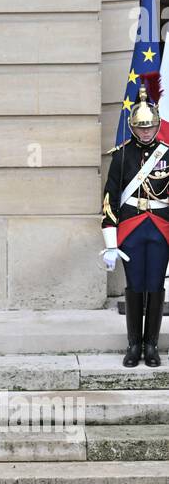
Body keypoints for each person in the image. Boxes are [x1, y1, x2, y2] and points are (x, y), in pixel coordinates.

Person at [101, 73, 169, 367]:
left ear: (157, 125)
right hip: (131, 229)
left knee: (155, 285)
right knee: (134, 286)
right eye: (141, 127)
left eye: (150, 126)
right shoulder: (122, 155)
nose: (146, 132)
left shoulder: (167, 154)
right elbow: (109, 200)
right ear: (133, 127)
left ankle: (151, 345)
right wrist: (110, 243)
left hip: (161, 229)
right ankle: (133, 345)